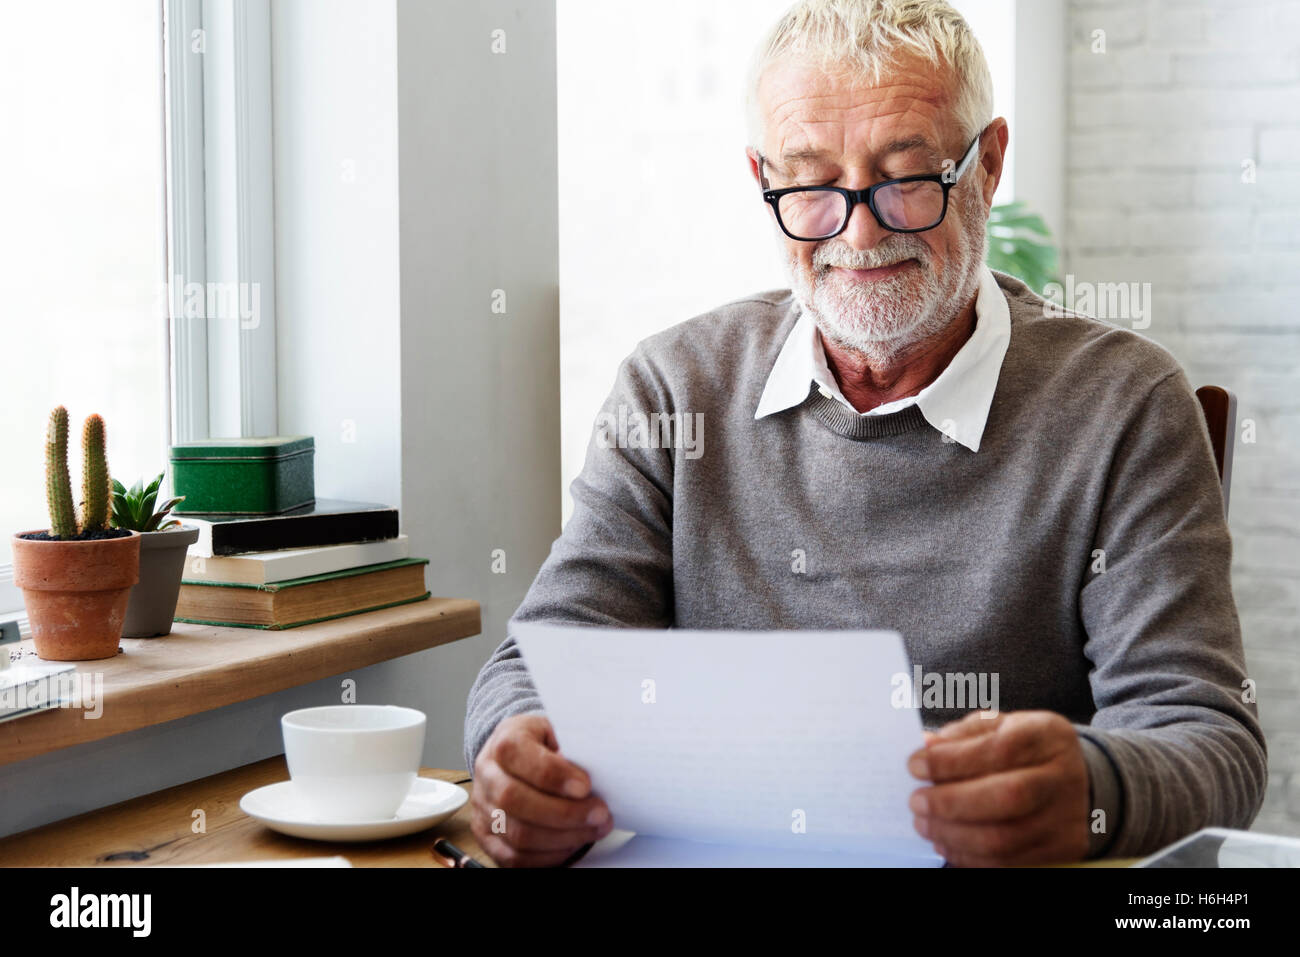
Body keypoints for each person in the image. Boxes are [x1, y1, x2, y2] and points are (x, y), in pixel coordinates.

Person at [463, 0, 1267, 867]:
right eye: (811, 185)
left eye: (907, 176)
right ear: (762, 178)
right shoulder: (672, 390)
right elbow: (534, 664)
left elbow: (1207, 735)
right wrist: (517, 753)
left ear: (988, 165)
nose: (860, 229)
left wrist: (1097, 785)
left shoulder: (1123, 403)